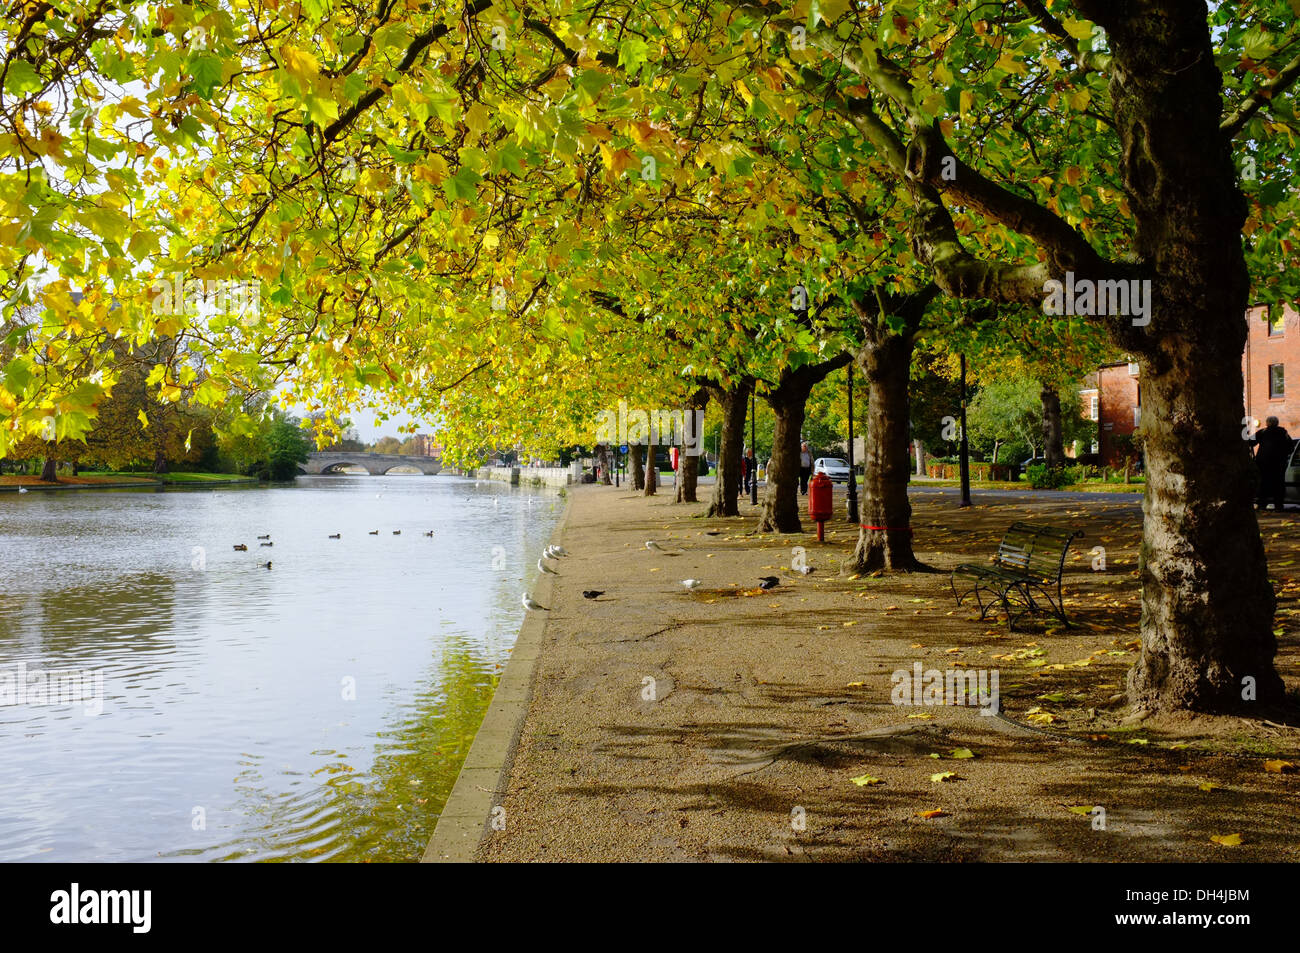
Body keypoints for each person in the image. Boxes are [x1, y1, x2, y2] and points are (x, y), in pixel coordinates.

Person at [1252, 416, 1294, 512]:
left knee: (1263, 483)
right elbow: (1291, 448)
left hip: (1263, 463)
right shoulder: (1284, 433)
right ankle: (1278, 506)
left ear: (1267, 423)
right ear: (1277, 423)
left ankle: (1262, 504)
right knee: (1278, 484)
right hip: (1279, 464)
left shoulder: (1262, 432)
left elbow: (1250, 442)